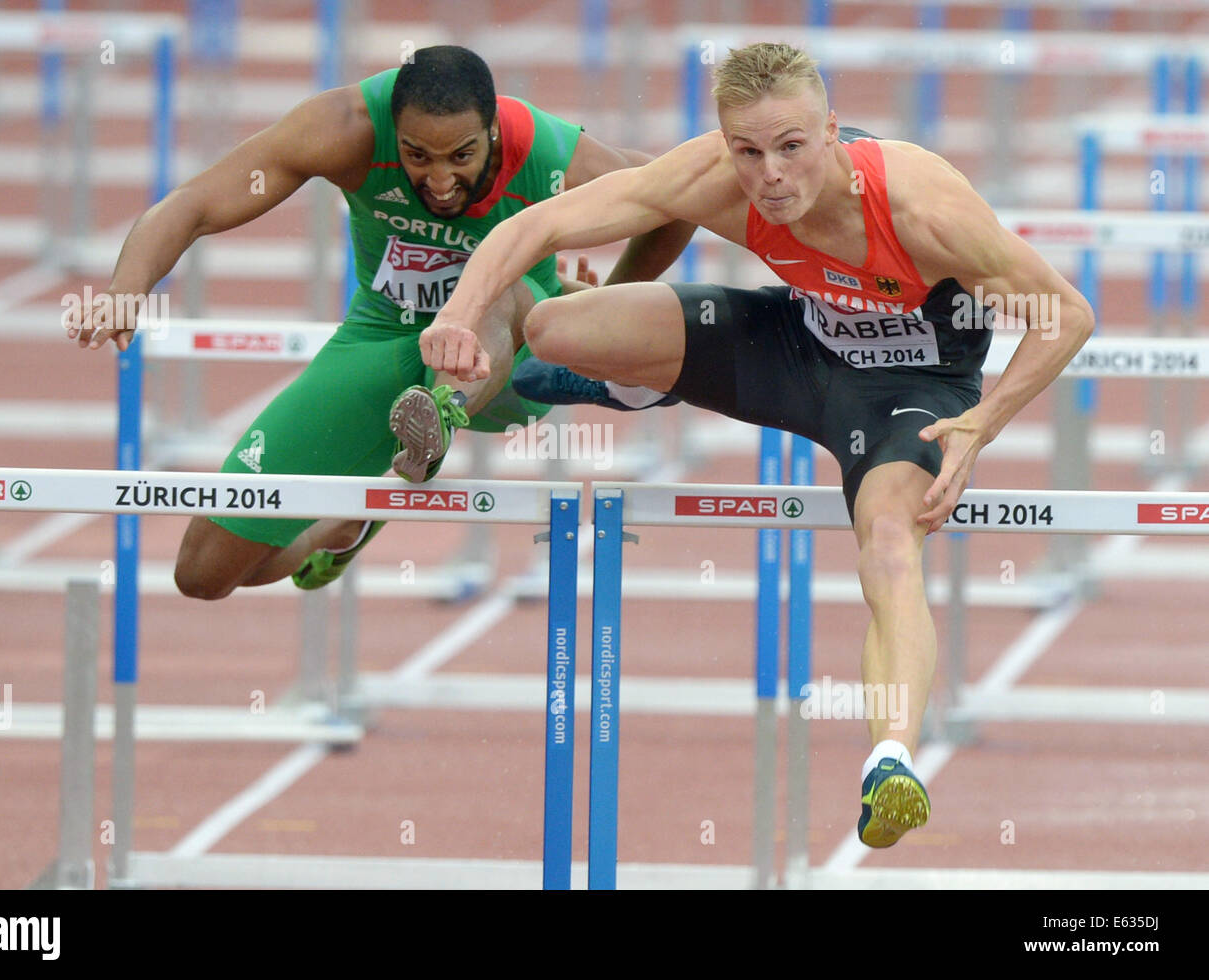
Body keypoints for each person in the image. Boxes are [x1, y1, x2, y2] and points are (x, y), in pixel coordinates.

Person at [418, 42, 1094, 848]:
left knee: (887, 537)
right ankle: (637, 383)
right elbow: (540, 224)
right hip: (795, 349)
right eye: (748, 151)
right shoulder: (713, 174)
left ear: (832, 132)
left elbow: (1067, 314)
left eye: (791, 147)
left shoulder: (921, 205)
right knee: (551, 327)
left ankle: (892, 760)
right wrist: (457, 314)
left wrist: (985, 422)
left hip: (912, 388)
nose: (769, 175)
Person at [66, 45, 692, 599]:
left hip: (503, 360)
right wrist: (128, 289)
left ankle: (437, 421)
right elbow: (194, 203)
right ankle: (340, 531)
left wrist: (604, 308)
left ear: (494, 135)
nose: (441, 180)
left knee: (496, 297)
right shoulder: (344, 128)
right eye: (418, 156)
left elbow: (676, 201)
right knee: (208, 573)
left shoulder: (549, 151)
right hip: (384, 338)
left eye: (462, 156)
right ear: (394, 132)